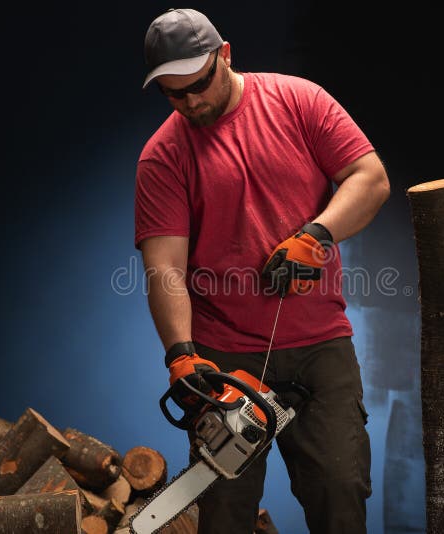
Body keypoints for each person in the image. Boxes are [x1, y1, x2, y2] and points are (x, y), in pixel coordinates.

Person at [134, 8, 390, 534]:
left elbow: (370, 178)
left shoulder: (299, 101)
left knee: (340, 491)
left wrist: (317, 236)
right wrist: (181, 354)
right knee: (224, 510)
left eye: (199, 84)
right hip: (224, 358)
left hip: (321, 347)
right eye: (174, 94)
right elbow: (164, 268)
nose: (191, 102)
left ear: (225, 55)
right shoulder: (162, 157)